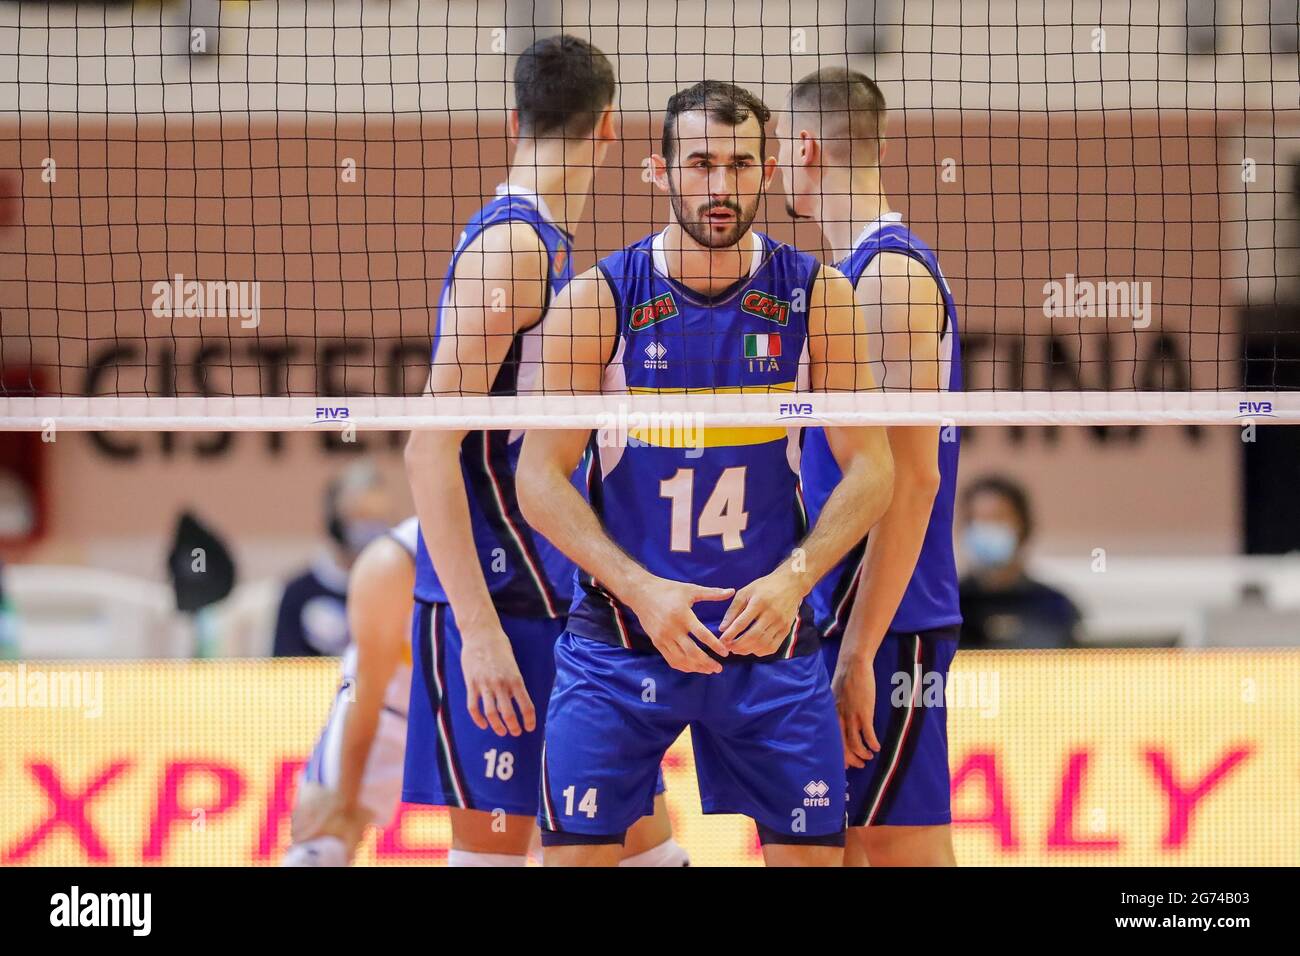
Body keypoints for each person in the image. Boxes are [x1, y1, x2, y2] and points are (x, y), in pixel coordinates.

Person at [518, 79, 895, 867]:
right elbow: (538, 482)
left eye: (740, 163)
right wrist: (643, 590)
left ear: (769, 170)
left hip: (768, 637)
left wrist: (796, 577)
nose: (721, 186)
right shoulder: (599, 299)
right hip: (626, 638)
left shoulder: (817, 295)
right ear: (659, 171)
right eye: (700, 163)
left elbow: (874, 470)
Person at [403, 35, 685, 867]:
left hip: (564, 596)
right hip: (501, 602)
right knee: (500, 852)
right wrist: (478, 632)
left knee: (632, 840)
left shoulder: (551, 249)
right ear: (609, 129)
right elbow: (429, 450)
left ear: (513, 120)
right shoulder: (515, 248)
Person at [778, 67, 963, 866]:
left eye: (780, 148)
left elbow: (913, 480)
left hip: (887, 620)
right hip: (837, 610)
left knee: (897, 848)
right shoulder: (845, 277)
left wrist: (859, 648)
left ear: (807, 147)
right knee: (844, 847)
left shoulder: (886, 279)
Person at [283, 518, 419, 866]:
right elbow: (367, 693)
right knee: (321, 836)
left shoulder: (530, 539)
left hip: (485, 705)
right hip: (393, 706)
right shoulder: (395, 561)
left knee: (556, 838)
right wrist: (343, 798)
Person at [271, 461, 395, 658]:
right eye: (360, 517)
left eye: (377, 519)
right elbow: (284, 671)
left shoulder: (400, 590)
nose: (369, 529)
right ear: (334, 521)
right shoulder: (298, 593)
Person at [958, 475, 1082, 649]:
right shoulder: (951, 606)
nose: (985, 528)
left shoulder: (1054, 606)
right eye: (976, 519)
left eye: (997, 518)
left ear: (1023, 526)